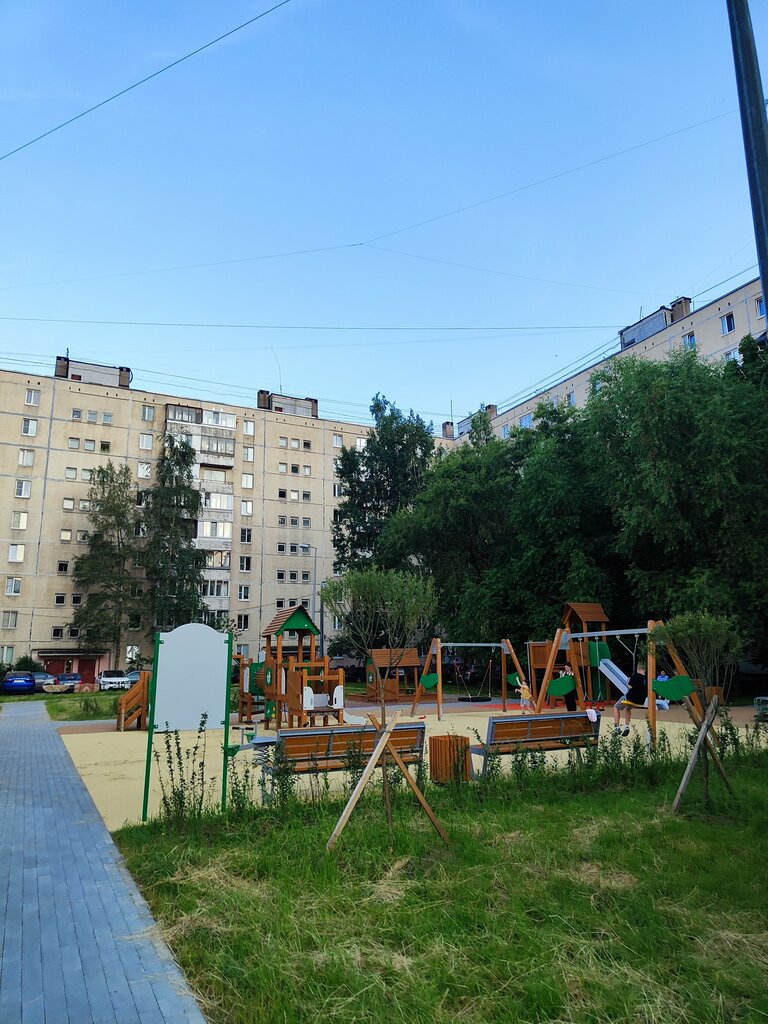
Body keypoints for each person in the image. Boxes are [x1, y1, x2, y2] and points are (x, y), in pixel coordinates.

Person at [613, 661, 648, 736]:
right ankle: (626, 727)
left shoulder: (635, 676)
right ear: (645, 669)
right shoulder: (647, 678)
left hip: (630, 698)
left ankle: (617, 727)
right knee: (628, 709)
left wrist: (628, 681)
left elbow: (629, 686)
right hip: (640, 700)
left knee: (616, 707)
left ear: (638, 668)